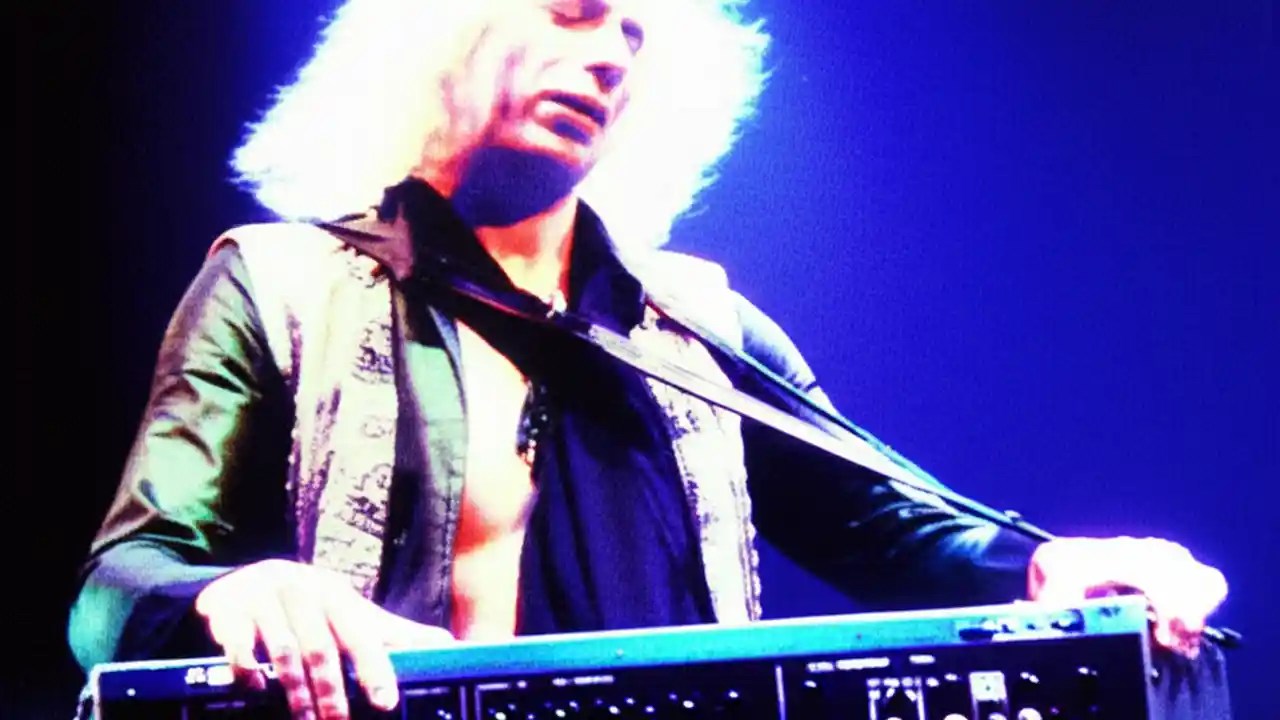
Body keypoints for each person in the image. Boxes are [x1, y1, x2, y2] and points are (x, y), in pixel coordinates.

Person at [67, 1, 1229, 719]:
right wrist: (236, 589)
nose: (615, 52)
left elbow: (889, 529)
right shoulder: (275, 282)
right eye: (575, 11)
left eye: (635, 33)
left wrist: (1049, 573)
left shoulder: (700, 325)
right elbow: (116, 593)